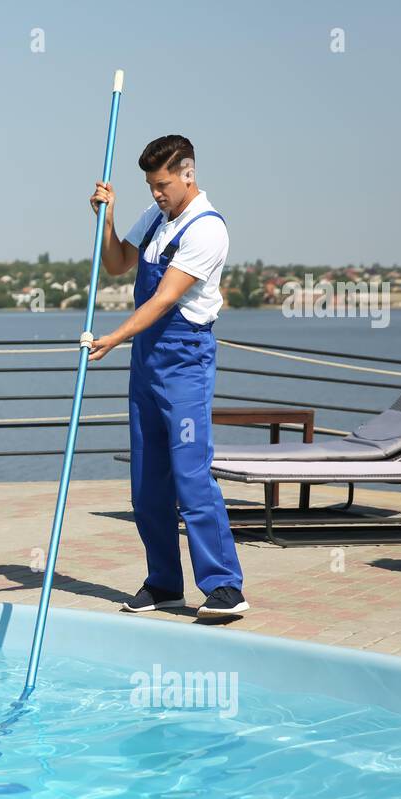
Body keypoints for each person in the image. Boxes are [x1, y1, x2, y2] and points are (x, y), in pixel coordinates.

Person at [86, 134, 248, 618]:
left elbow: (163, 299)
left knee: (191, 475)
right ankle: (163, 585)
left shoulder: (207, 229)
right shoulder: (156, 218)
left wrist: (113, 338)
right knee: (147, 480)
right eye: (151, 185)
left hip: (184, 363)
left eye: (163, 184)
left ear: (188, 174)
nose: (157, 193)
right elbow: (117, 264)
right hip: (146, 361)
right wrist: (107, 217)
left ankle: (225, 588)